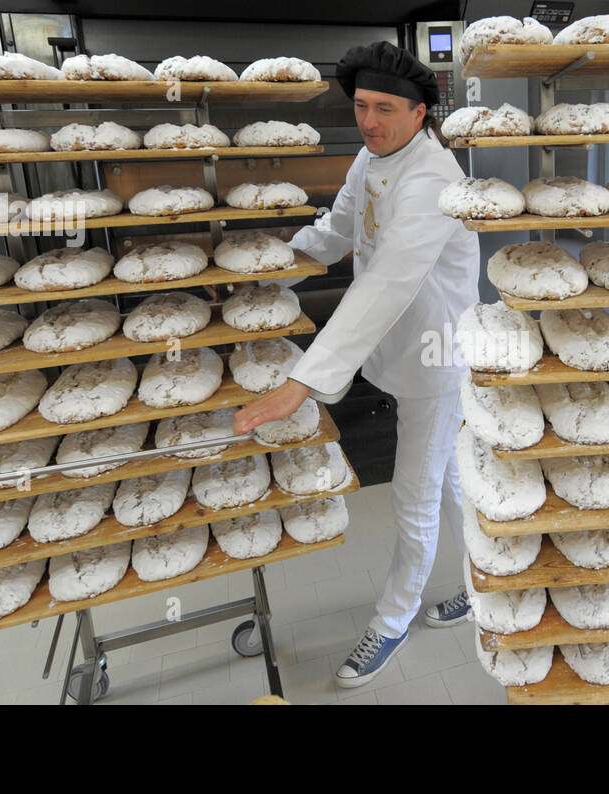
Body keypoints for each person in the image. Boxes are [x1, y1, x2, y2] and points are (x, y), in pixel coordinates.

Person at [232, 41, 480, 688]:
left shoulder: (435, 181)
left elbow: (388, 280)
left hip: (437, 358)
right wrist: (264, 267)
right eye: (362, 106)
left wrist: (303, 380)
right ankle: (489, 581)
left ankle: (393, 620)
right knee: (451, 480)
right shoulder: (372, 158)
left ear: (421, 112)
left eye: (386, 109)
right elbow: (339, 230)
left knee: (414, 495)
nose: (370, 121)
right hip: (397, 352)